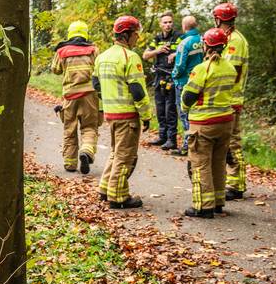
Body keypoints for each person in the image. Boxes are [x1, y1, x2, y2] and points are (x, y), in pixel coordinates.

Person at [95, 16, 153, 209]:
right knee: (124, 156)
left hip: (111, 114)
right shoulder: (130, 57)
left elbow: (96, 84)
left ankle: (105, 189)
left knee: (115, 153)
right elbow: (137, 90)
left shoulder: (102, 57)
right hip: (127, 115)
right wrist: (146, 115)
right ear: (127, 35)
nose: (137, 38)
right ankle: (118, 196)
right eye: (136, 34)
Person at [181, 28, 237, 218]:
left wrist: (183, 106)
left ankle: (203, 206)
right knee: (218, 162)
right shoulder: (229, 68)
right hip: (225, 122)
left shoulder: (202, 69)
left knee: (200, 163)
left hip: (203, 123)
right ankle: (218, 201)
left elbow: (189, 96)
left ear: (206, 45)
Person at [51, 20, 101, 174]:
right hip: (90, 95)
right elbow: (99, 70)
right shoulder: (93, 50)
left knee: (69, 129)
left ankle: (70, 164)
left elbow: (55, 70)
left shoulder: (62, 51)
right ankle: (86, 151)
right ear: (85, 33)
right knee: (89, 127)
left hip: (70, 96)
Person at [213, 2, 249, 200]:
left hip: (231, 99)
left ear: (219, 19)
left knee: (233, 142)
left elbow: (231, 72)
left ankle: (237, 183)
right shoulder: (227, 38)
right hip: (224, 99)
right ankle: (231, 179)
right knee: (226, 143)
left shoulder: (235, 41)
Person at [143, 13, 181, 149]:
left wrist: (175, 54)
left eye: (170, 22)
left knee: (170, 109)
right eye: (165, 22)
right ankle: (162, 136)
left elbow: (187, 50)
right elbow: (145, 55)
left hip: (171, 77)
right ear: (160, 24)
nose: (168, 25)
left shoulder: (178, 37)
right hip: (159, 77)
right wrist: (157, 51)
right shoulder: (157, 39)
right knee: (160, 108)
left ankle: (172, 139)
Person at [171, 15, 203, 156]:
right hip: (201, 82)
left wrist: (174, 75)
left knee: (185, 115)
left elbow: (180, 65)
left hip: (185, 83)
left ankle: (188, 146)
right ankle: (198, 143)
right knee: (197, 114)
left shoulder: (184, 43)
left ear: (184, 27)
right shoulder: (203, 40)